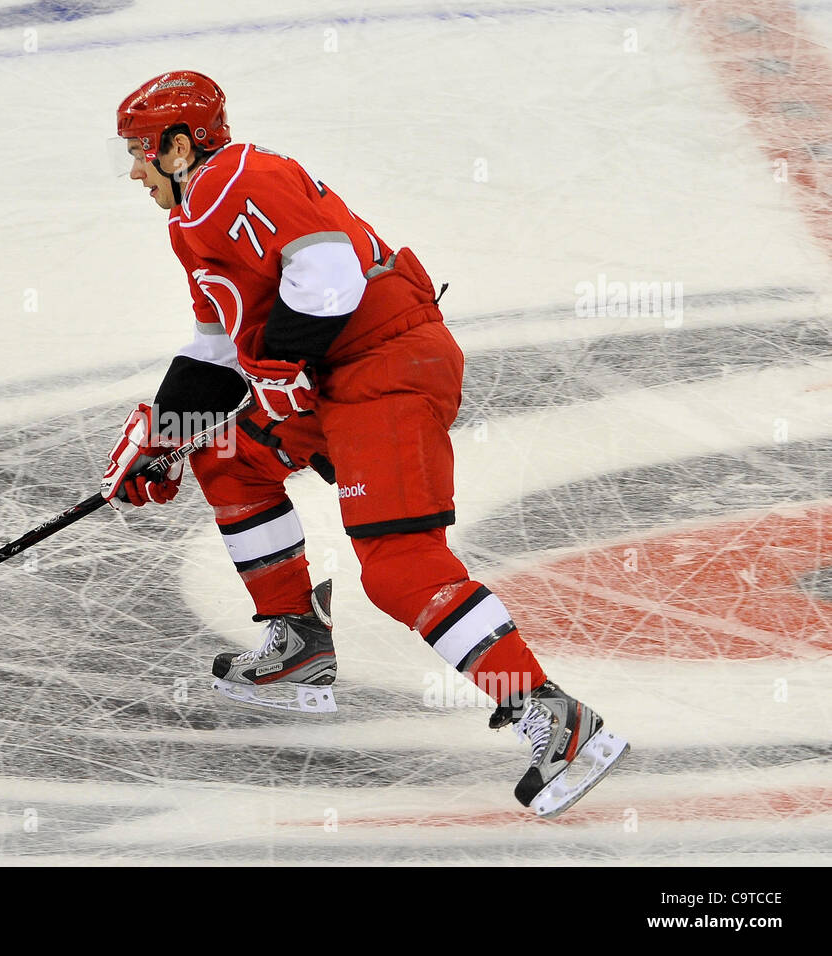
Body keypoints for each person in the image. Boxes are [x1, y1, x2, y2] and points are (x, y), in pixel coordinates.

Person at [99, 71, 628, 817]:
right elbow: (218, 348)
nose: (132, 171)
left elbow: (330, 276)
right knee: (228, 460)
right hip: (337, 378)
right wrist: (170, 433)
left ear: (179, 148)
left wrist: (278, 370)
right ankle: (299, 646)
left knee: (401, 570)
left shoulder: (245, 176)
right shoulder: (196, 218)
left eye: (138, 152)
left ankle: (554, 718)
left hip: (387, 369)